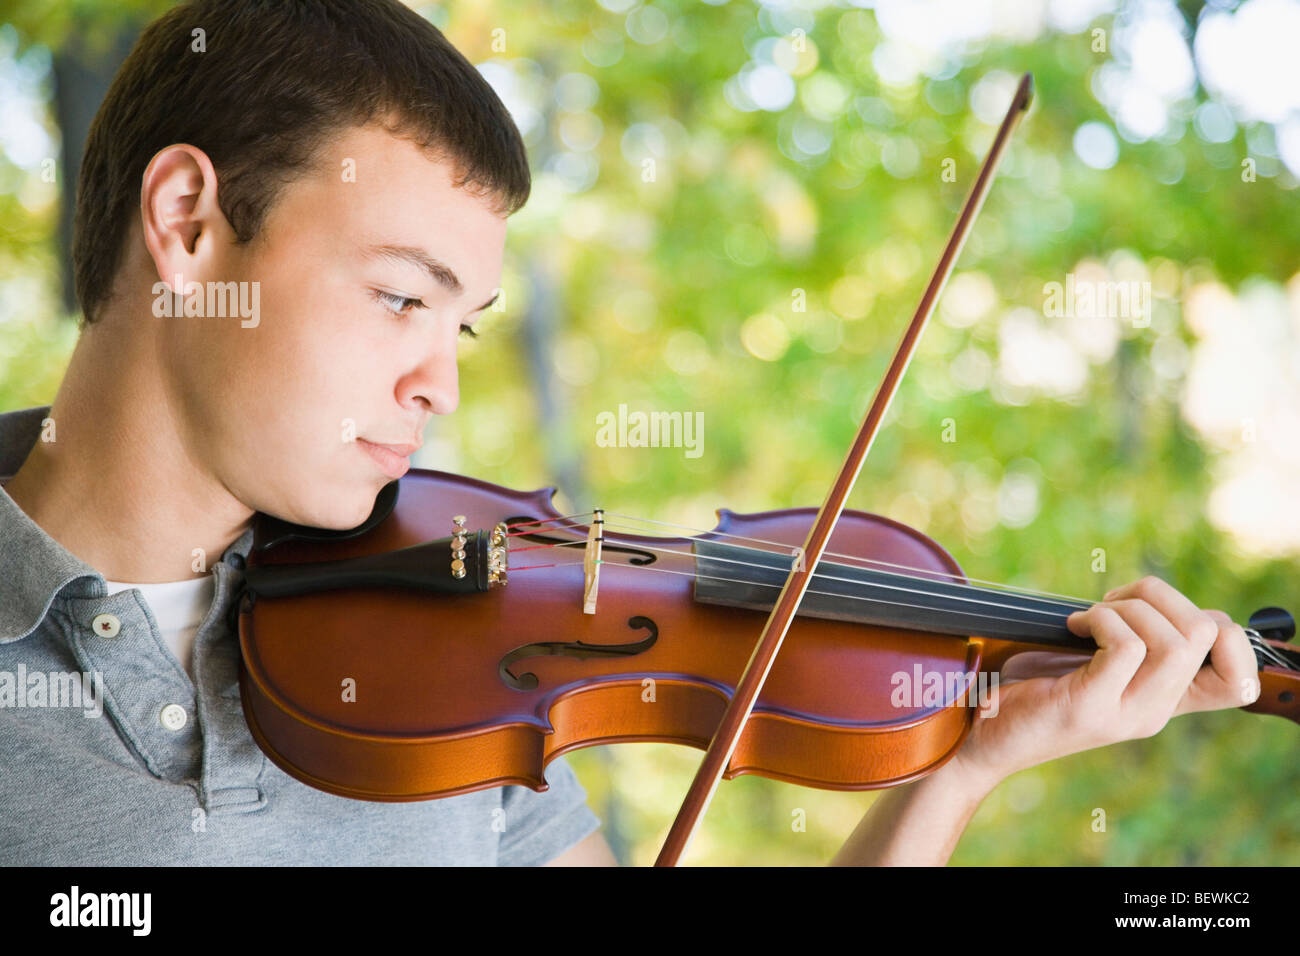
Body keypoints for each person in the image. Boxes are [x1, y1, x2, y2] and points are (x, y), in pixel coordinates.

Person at [0, 0, 1259, 867]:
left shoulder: (440, 651)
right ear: (187, 221)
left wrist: (964, 761)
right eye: (398, 296)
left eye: (466, 327)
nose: (438, 385)